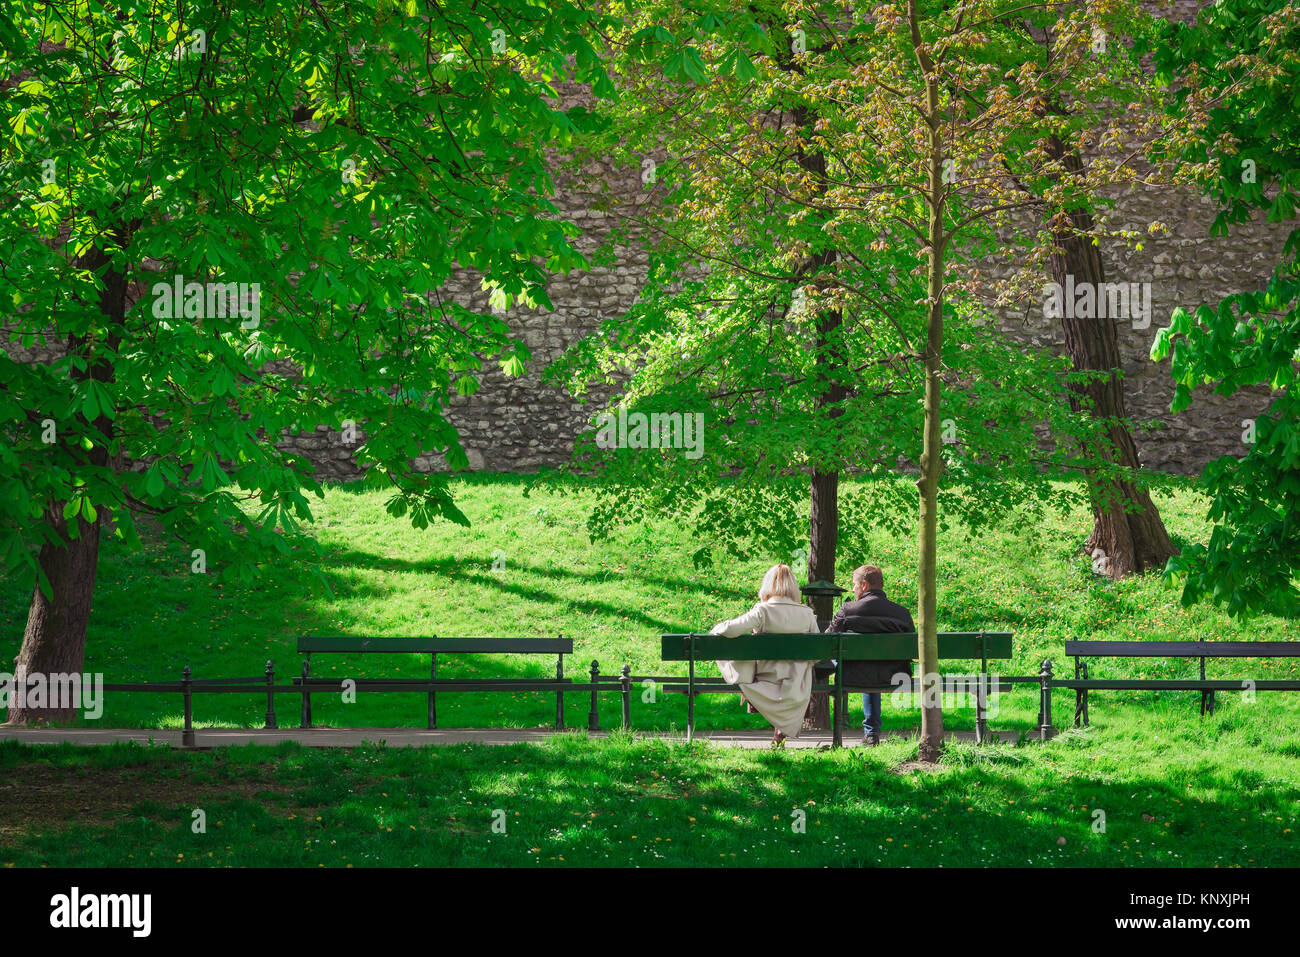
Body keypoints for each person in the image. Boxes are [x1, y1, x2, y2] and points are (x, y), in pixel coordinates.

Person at [709, 563, 820, 747]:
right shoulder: (807, 614)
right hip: (797, 683)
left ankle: (776, 726)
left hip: (765, 680)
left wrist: (715, 630)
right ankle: (780, 728)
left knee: (742, 664)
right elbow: (817, 654)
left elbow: (731, 629)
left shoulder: (763, 611)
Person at [826, 564, 914, 746]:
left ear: (864, 585)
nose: (852, 589)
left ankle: (842, 735)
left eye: (854, 584)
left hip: (851, 675)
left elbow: (827, 642)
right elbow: (912, 651)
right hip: (895, 676)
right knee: (871, 665)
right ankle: (871, 732)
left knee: (855, 662)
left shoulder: (848, 610)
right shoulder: (902, 613)